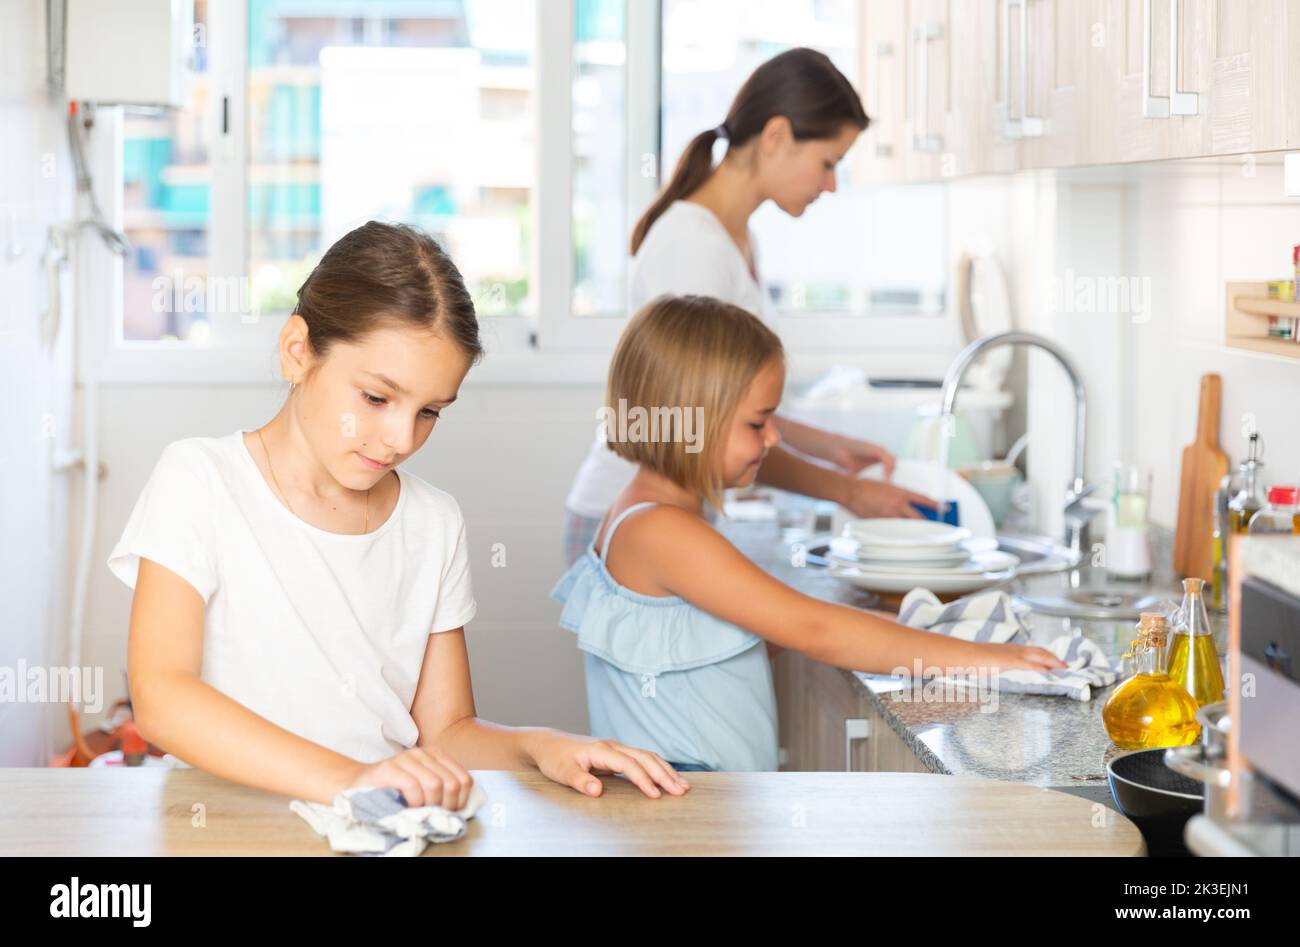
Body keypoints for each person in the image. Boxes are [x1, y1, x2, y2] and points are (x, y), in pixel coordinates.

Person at [110, 221, 689, 807]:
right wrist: (348, 780)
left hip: (374, 832)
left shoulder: (432, 522)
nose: (399, 438)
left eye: (430, 411)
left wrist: (541, 745)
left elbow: (447, 734)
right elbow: (163, 697)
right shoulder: (200, 482)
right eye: (377, 398)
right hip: (224, 832)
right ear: (296, 352)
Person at [552, 296, 1064, 772]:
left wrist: (890, 627)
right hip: (689, 810)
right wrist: (985, 660)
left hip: (697, 804)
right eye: (758, 424)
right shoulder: (662, 530)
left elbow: (723, 637)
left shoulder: (642, 514)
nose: (773, 439)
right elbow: (811, 630)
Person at [563, 47, 934, 566]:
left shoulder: (735, 239)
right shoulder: (693, 247)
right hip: (627, 520)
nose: (831, 185)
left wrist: (829, 447)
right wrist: (848, 492)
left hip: (669, 522)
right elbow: (704, 427)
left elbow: (733, 407)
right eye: (829, 163)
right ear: (777, 136)